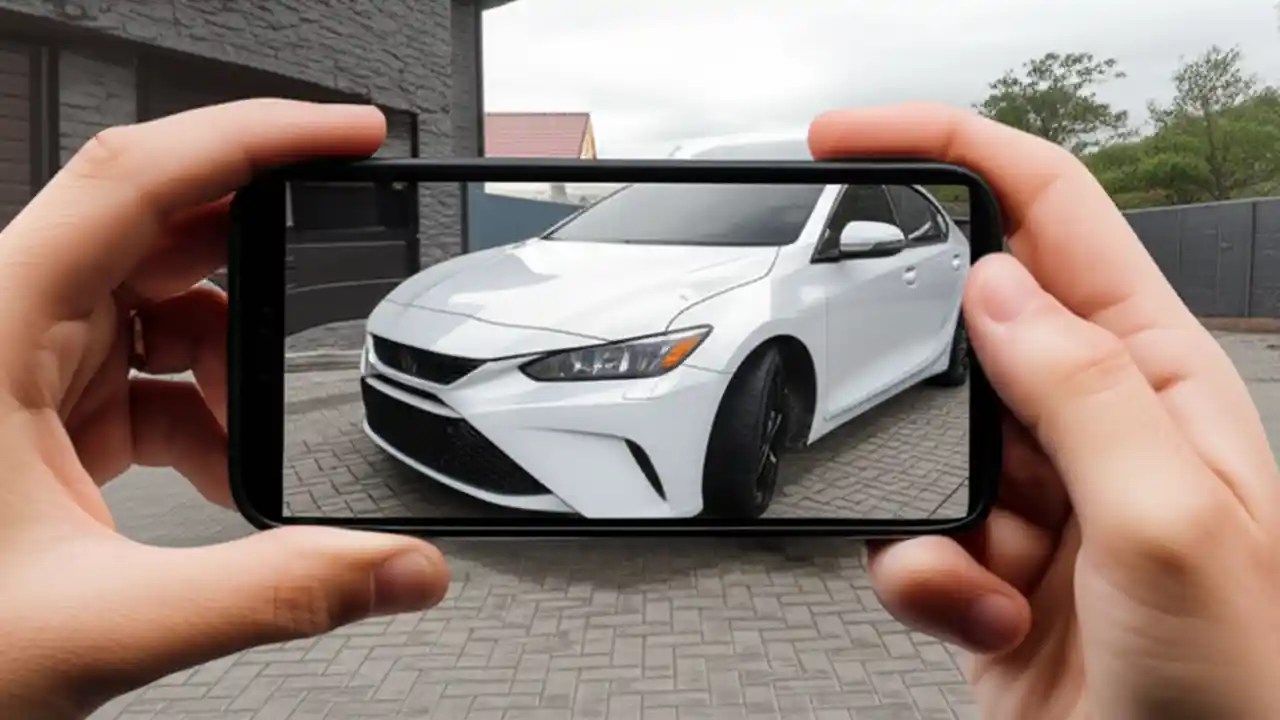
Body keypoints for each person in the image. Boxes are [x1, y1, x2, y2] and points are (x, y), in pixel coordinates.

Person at [0, 99, 1274, 719]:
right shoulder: (533, 260)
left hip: (780, 299)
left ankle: (728, 472)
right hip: (525, 326)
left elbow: (792, 292)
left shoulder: (847, 246)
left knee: (750, 383)